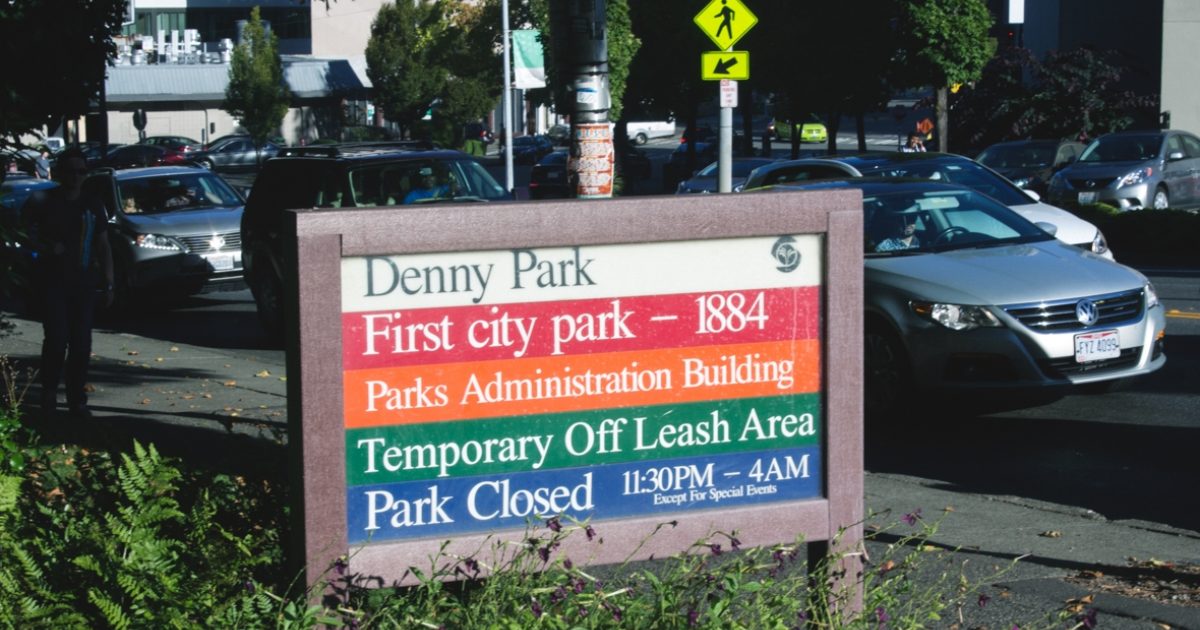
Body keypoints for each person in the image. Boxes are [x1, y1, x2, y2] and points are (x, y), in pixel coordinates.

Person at [24, 147, 114, 418]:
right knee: (56, 339)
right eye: (71, 171)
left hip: (83, 282)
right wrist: (45, 248)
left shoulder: (92, 203)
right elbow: (23, 236)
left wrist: (110, 282)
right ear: (60, 173)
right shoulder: (44, 200)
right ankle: (49, 392)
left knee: (81, 342)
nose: (76, 176)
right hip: (52, 282)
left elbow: (103, 244)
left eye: (81, 171)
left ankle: (76, 397)